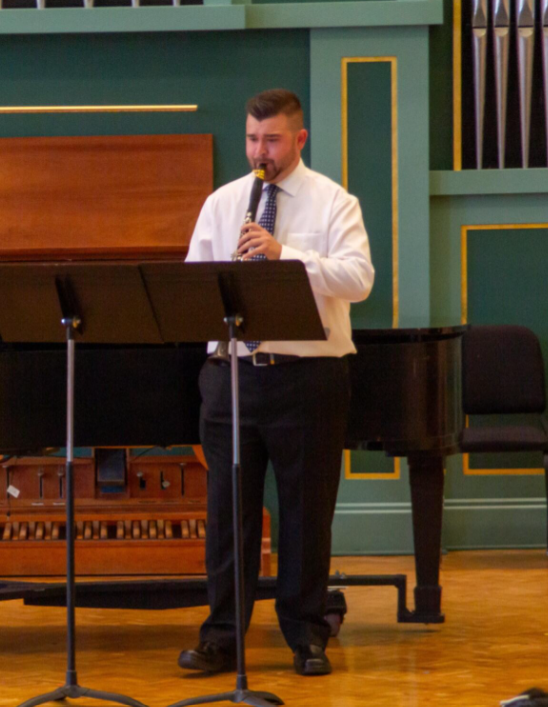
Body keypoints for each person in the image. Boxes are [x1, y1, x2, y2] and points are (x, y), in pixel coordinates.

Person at [177, 89, 375, 677]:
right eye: (251, 139)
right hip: (231, 376)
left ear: (299, 139)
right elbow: (193, 285)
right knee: (227, 516)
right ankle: (221, 637)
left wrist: (284, 254)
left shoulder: (335, 203)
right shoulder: (222, 203)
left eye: (271, 140)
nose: (258, 152)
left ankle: (306, 636)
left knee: (305, 515)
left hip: (307, 377)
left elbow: (359, 278)